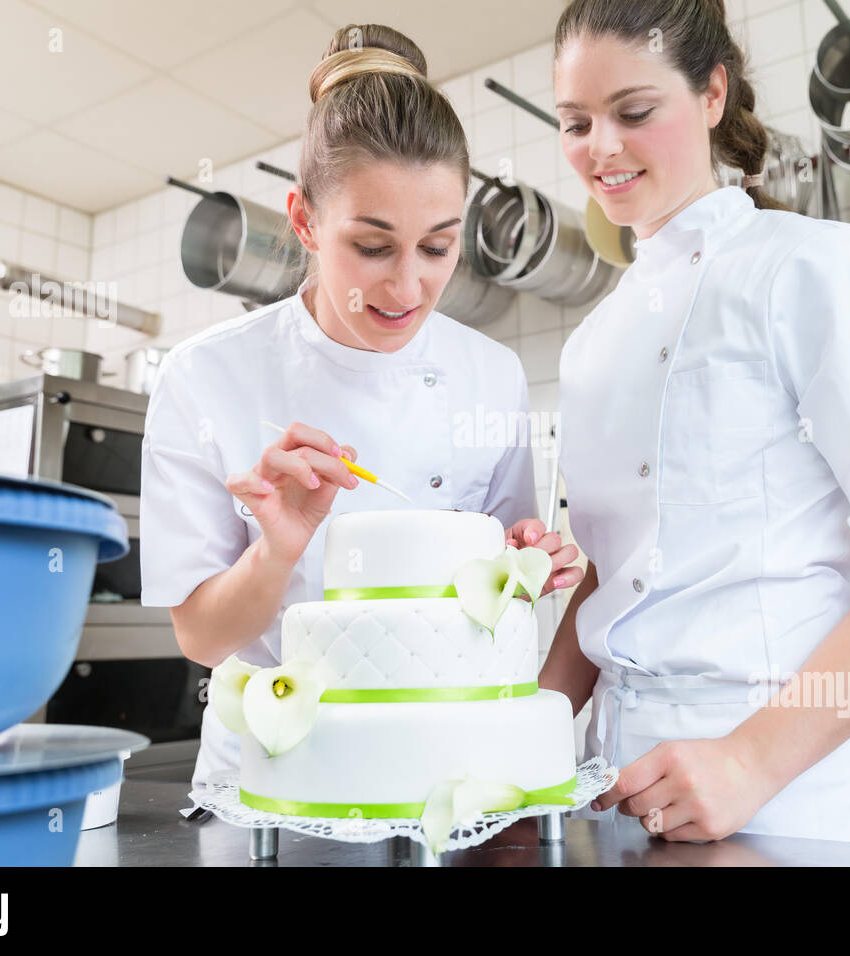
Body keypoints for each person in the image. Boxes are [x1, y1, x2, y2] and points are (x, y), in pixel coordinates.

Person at [539, 0, 850, 846]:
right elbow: (609, 576)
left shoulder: (808, 265)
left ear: (712, 95)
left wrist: (749, 761)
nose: (600, 148)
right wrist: (522, 732)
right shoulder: (592, 342)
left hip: (794, 786)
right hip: (617, 787)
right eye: (575, 122)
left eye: (634, 113)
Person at [139, 23, 581, 791]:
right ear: (305, 220)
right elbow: (203, 638)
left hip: (447, 774)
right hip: (271, 776)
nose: (407, 289)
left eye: (437, 247)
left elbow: (499, 582)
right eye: (373, 248)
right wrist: (276, 549)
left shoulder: (491, 375)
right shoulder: (205, 378)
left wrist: (526, 566)